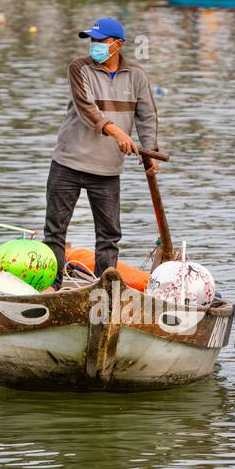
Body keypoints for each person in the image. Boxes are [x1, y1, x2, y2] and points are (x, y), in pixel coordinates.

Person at [44, 17, 158, 290]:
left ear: (117, 45)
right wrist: (118, 133)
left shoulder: (137, 76)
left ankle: (106, 292)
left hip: (107, 171)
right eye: (91, 40)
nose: (94, 46)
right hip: (68, 162)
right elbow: (88, 111)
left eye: (100, 41)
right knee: (55, 231)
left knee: (108, 236)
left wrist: (150, 153)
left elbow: (147, 116)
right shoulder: (79, 68)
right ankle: (52, 286)